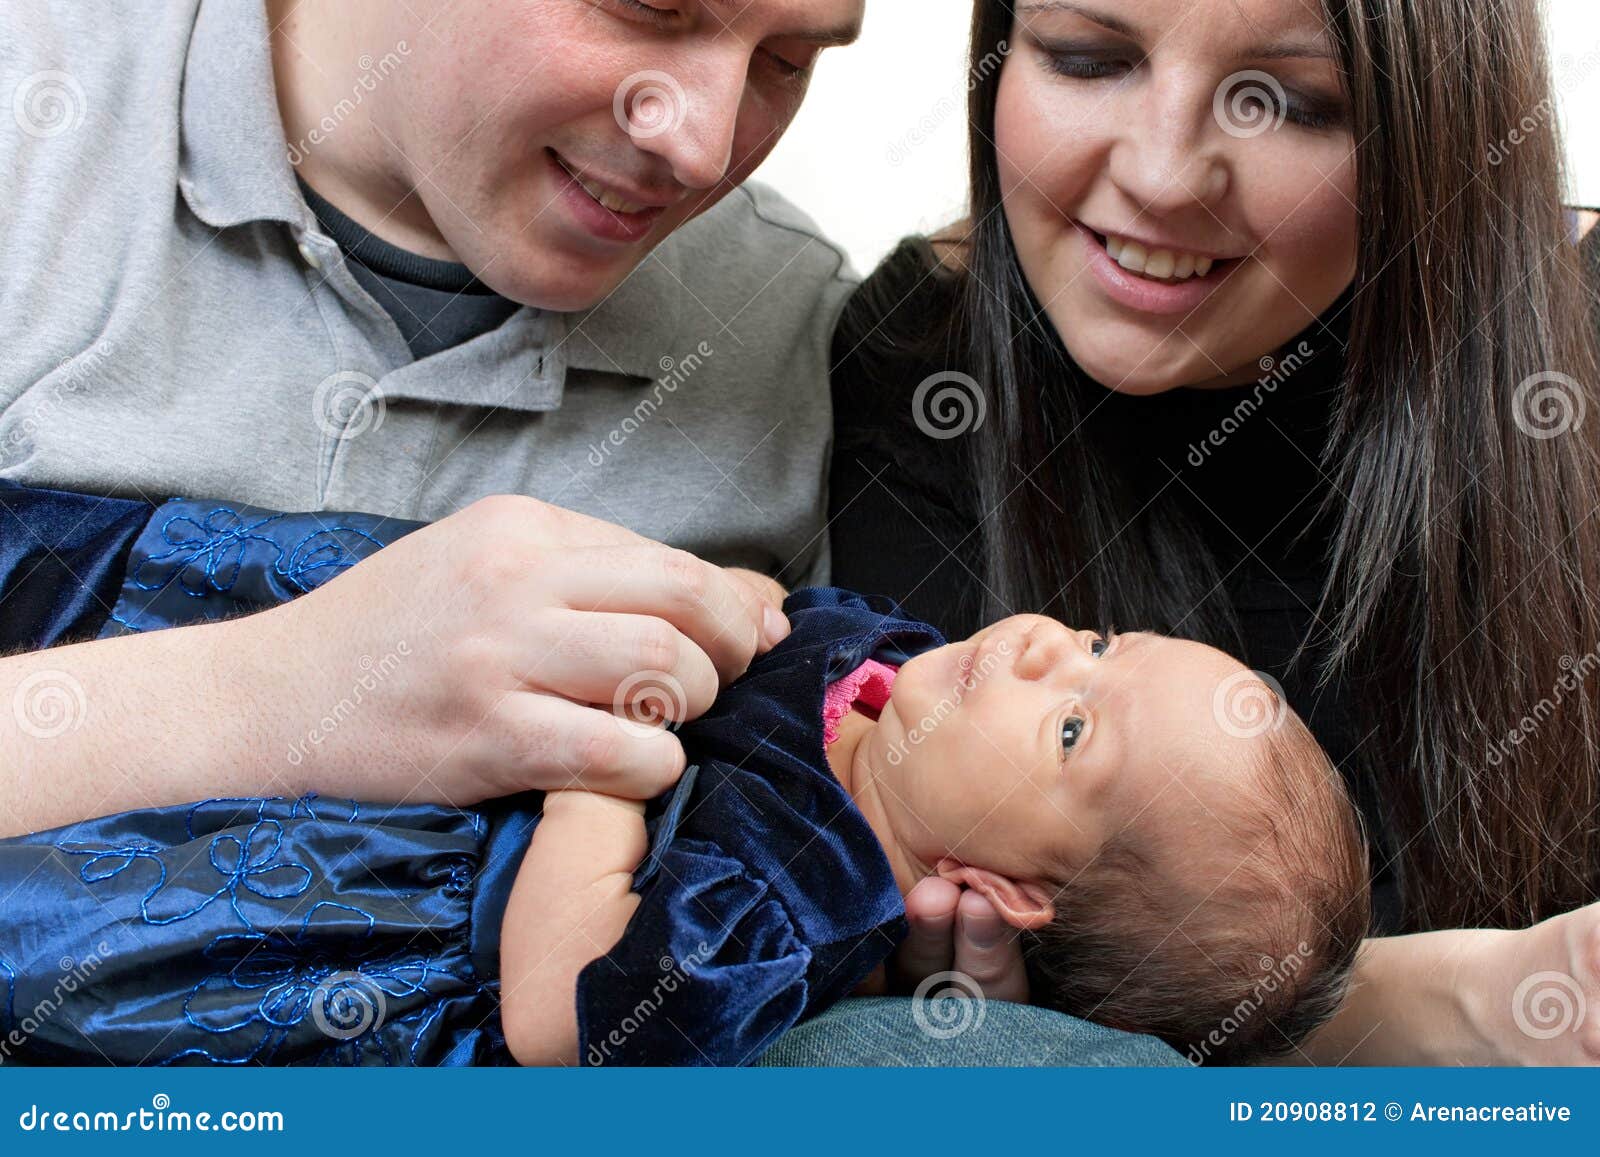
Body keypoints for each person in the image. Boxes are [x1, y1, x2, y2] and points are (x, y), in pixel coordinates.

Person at [829, 0, 1600, 1065]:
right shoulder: (920, 374)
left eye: (1285, 101)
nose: (1161, 174)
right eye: (1086, 57)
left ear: (1439, 129)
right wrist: (1443, 1000)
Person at [0, 563, 1368, 1067]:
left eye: (1074, 729)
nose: (1041, 652)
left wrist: (613, 758)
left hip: (376, 910)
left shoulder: (794, 900)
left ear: (1006, 895)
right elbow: (768, 604)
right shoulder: (893, 669)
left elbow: (562, 1014)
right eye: (1099, 641)